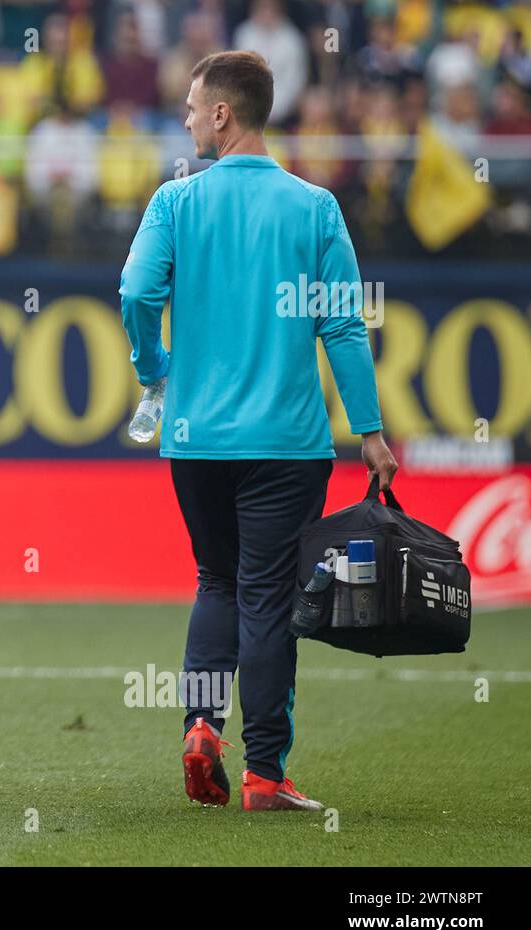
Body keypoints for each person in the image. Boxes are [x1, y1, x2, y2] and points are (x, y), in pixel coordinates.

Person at [119, 52, 398, 812]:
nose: (182, 118)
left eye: (189, 106)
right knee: (267, 600)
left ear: (222, 114)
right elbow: (343, 323)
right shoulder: (314, 208)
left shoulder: (176, 203)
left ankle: (203, 724)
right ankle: (265, 775)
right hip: (287, 442)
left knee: (216, 580)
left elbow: (136, 289)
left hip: (197, 437)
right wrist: (369, 431)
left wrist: (155, 367)